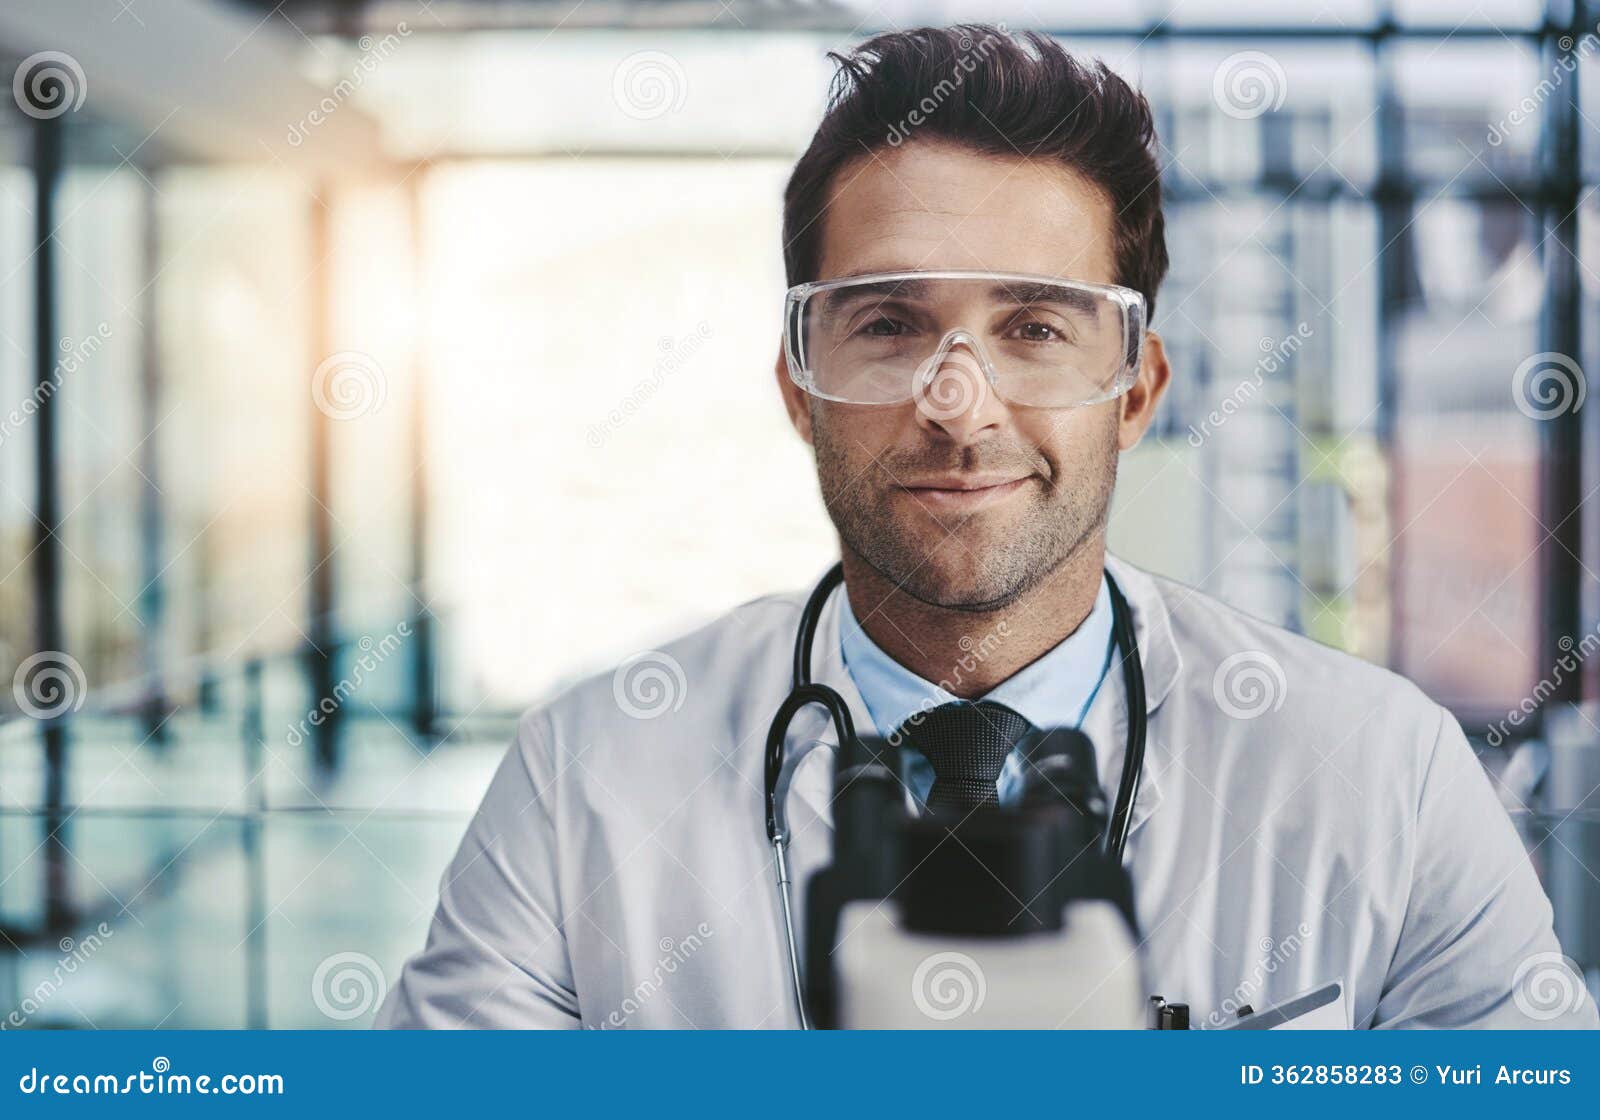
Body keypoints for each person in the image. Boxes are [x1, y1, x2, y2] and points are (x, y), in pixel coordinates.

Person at [378, 25, 1595, 1029]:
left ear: (1138, 392)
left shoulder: (1380, 773)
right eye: (889, 324)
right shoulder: (587, 777)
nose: (958, 407)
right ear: (800, 388)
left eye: (1036, 328)